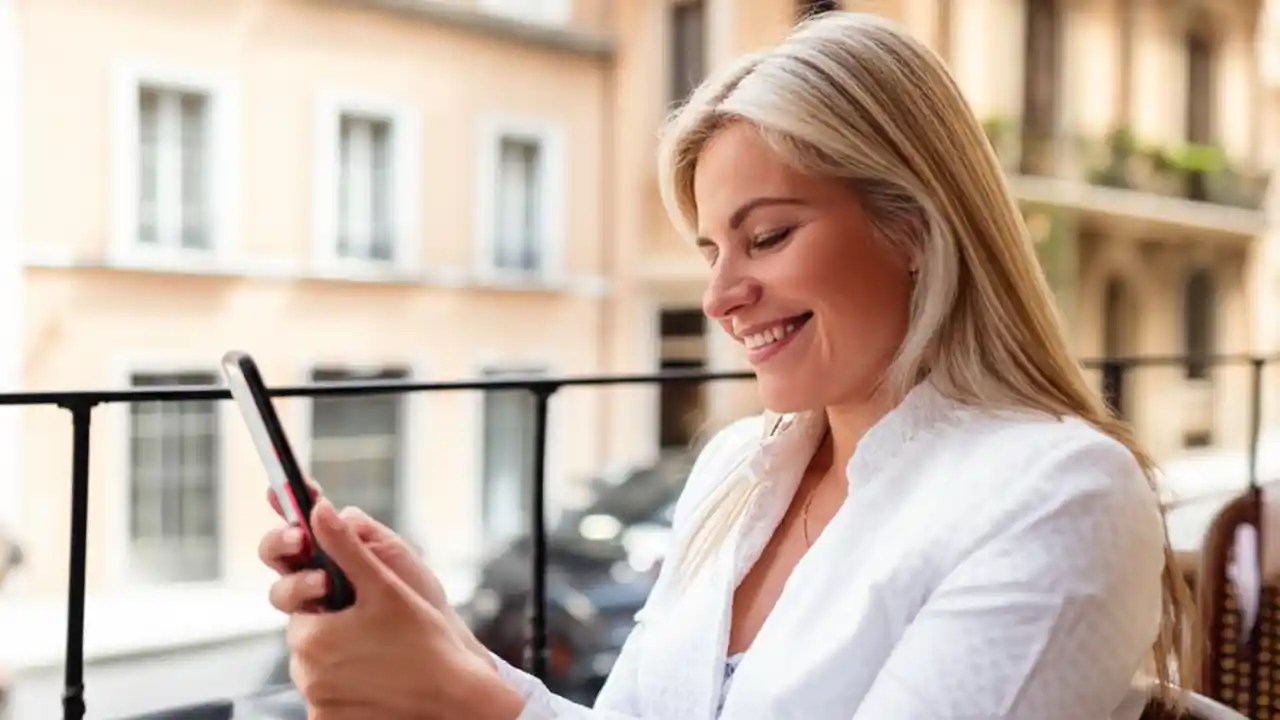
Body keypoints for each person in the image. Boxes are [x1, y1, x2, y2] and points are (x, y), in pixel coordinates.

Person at [257, 12, 1191, 720]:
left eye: (769, 236)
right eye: (712, 250)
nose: (722, 297)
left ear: (914, 225)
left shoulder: (1058, 494)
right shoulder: (738, 473)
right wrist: (444, 649)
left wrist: (474, 702)